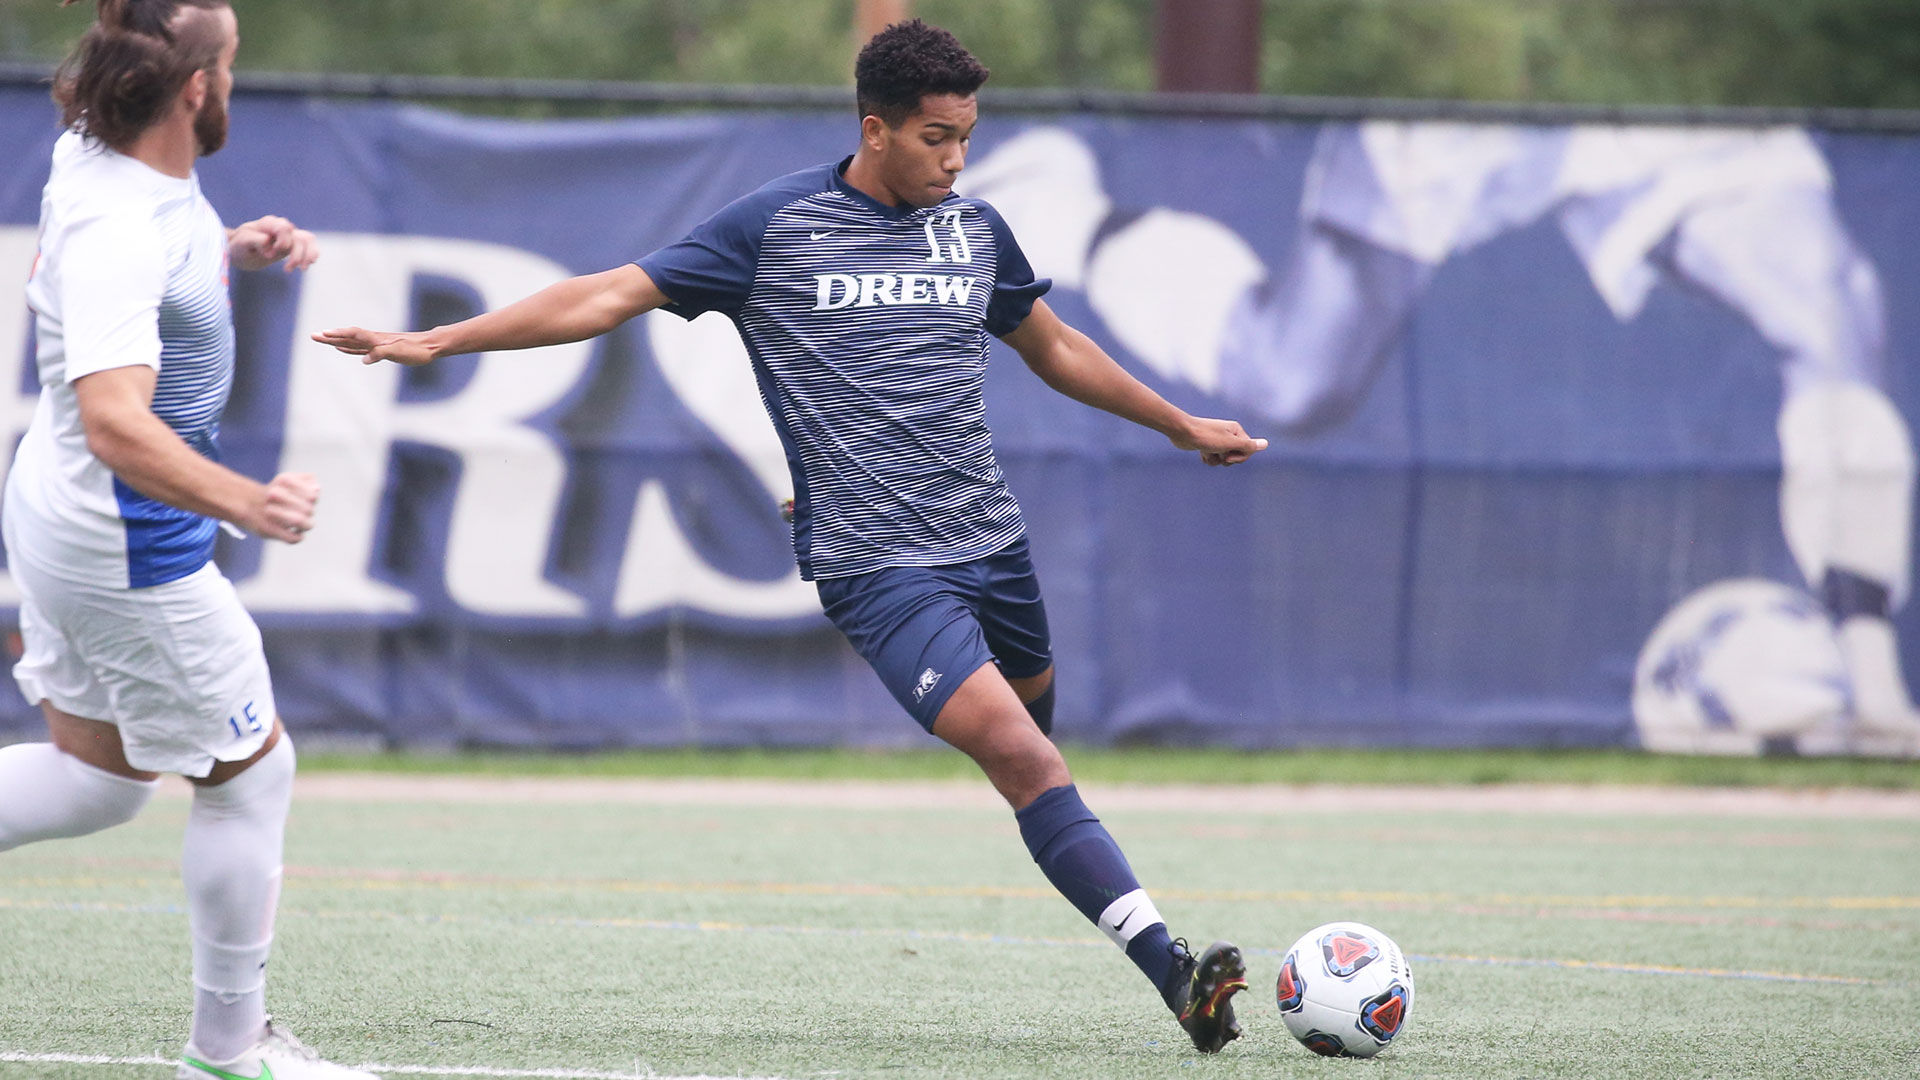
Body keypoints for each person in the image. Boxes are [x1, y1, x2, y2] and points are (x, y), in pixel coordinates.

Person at [316, 19, 1265, 1055]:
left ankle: (1082, 862)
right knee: (1024, 758)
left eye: (968, 138)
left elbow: (1057, 345)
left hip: (993, 544)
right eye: (938, 137)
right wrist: (441, 337)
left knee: (1041, 740)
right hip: (879, 570)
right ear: (875, 128)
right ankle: (1174, 974)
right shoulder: (773, 228)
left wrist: (1176, 423)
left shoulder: (974, 230)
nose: (956, 158)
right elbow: (606, 294)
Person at [963, 120, 1920, 756]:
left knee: (1835, 309)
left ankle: (1868, 670)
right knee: (1296, 379)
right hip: (1498, 92)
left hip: (1665, 91)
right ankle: (1069, 218)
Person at [0, 2, 375, 1078]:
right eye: (232, 63)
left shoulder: (103, 151)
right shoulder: (121, 219)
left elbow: (132, 267)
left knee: (99, 780)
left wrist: (225, 250)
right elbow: (121, 421)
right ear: (197, 90)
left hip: (60, 505)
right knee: (251, 776)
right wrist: (246, 504)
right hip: (125, 536)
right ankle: (229, 1048)